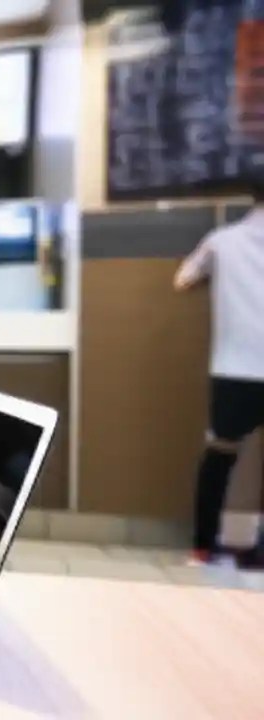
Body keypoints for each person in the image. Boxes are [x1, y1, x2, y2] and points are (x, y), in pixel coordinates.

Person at [175, 179, 264, 567]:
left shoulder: (222, 241)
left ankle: (202, 548)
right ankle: (256, 548)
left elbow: (183, 279)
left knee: (220, 458)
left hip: (234, 369)